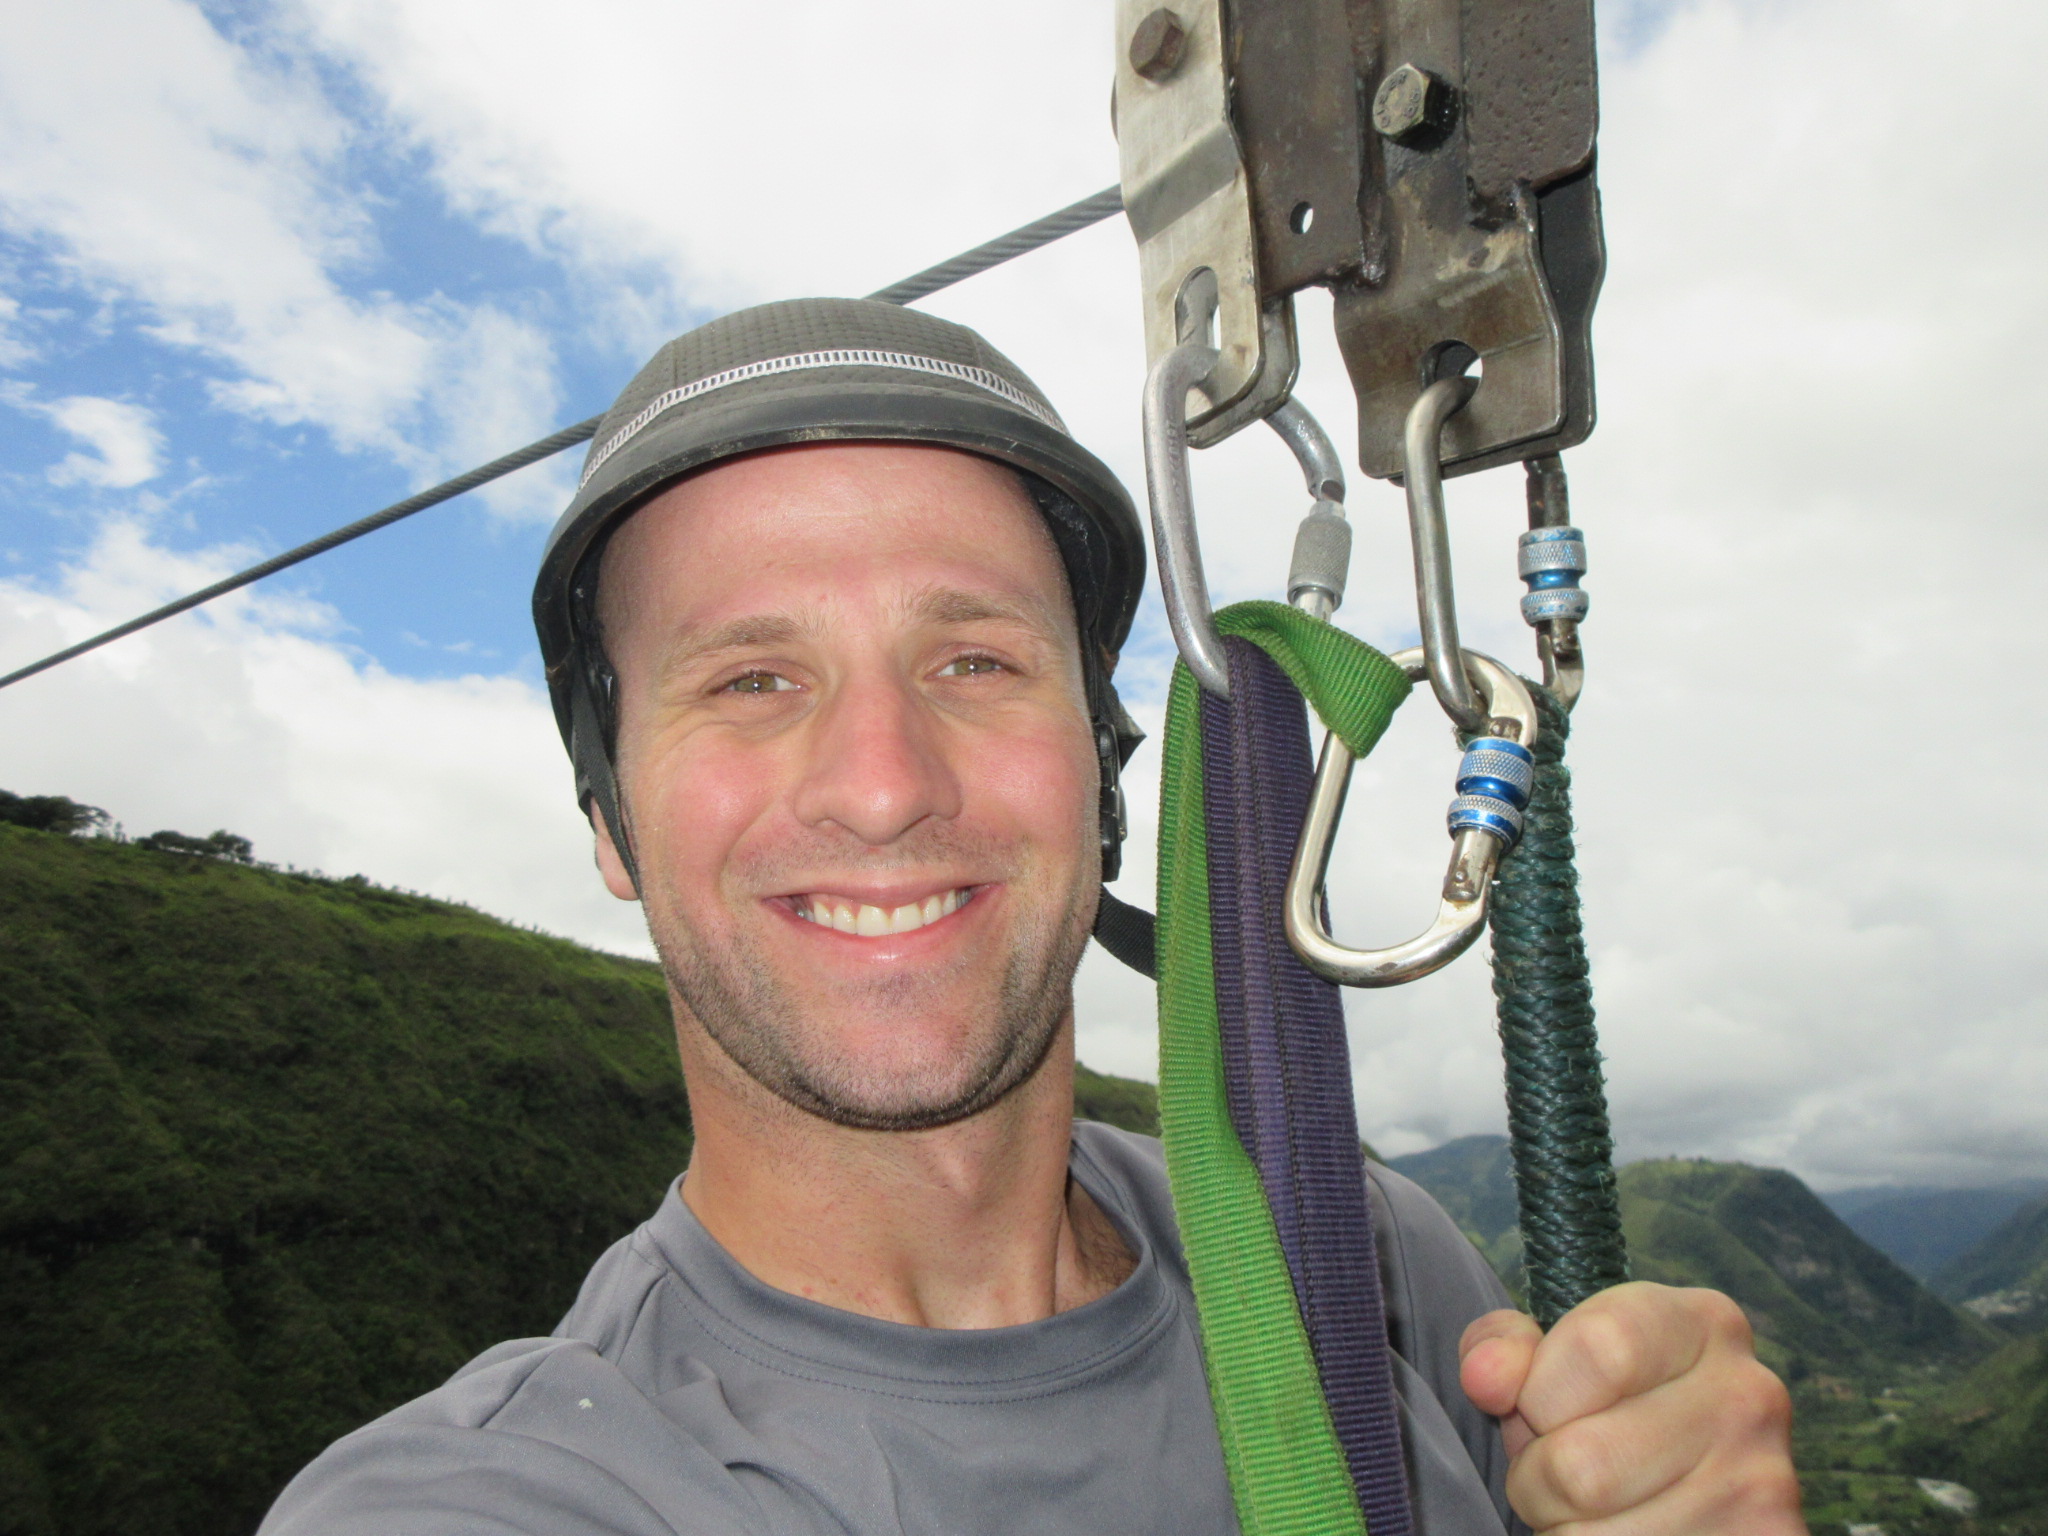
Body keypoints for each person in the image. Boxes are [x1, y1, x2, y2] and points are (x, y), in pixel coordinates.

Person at [261, 300, 1803, 1535]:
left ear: (1101, 772)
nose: (883, 786)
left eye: (976, 663)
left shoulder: (1356, 1250)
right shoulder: (511, 1494)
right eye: (751, 681)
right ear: (610, 819)